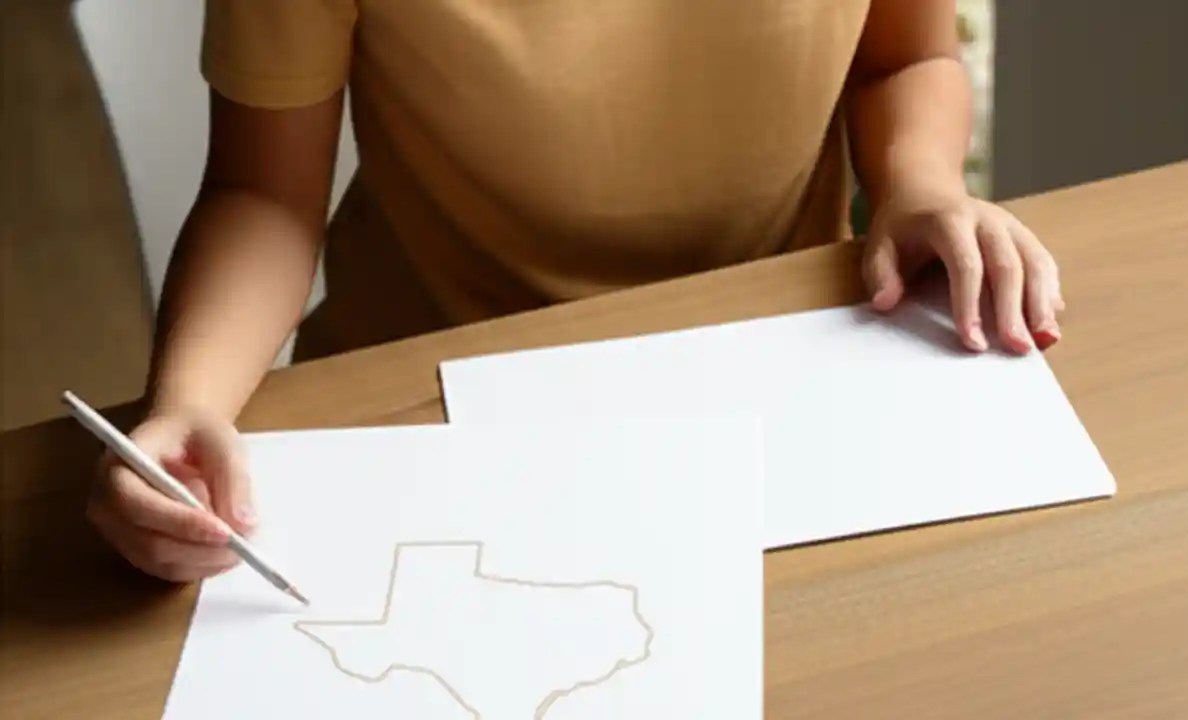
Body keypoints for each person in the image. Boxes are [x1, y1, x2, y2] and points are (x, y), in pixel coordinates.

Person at [88, 0, 1065, 582]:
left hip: (773, 381)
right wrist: (189, 402)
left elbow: (904, 54)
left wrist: (917, 183)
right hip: (427, 401)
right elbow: (263, 192)